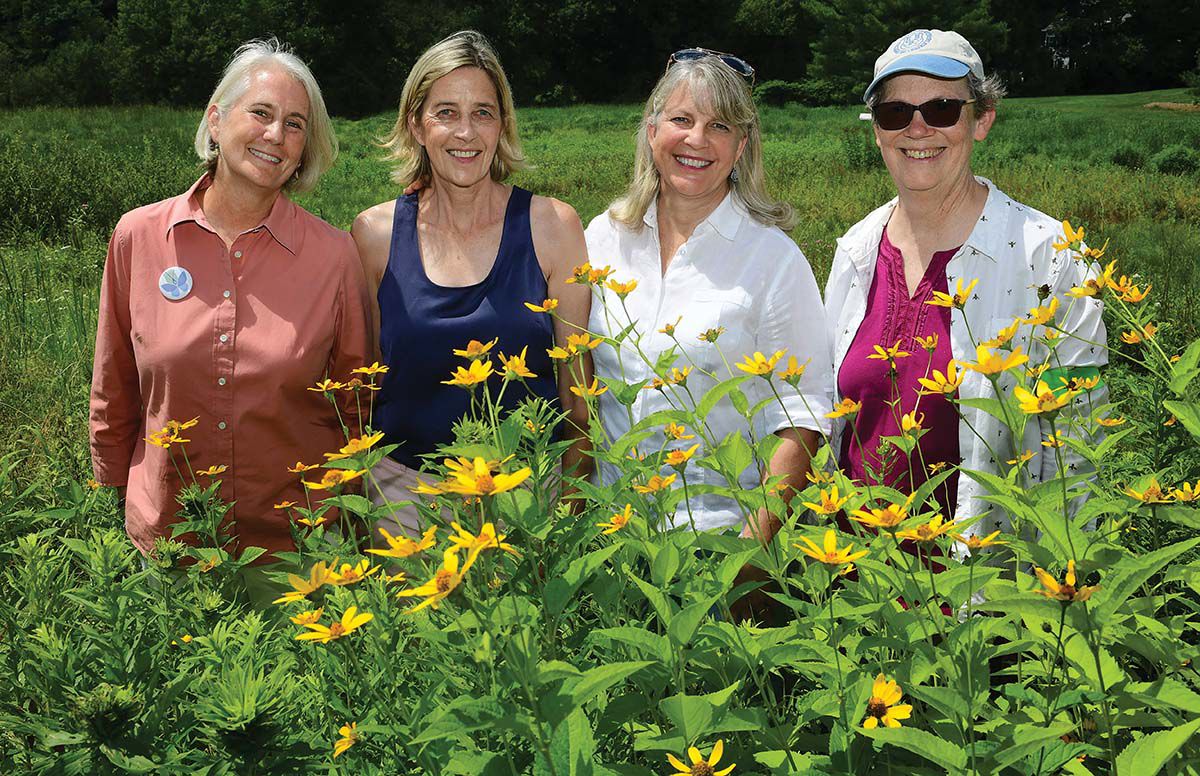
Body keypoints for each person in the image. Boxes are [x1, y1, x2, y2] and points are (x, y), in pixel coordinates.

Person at [89, 39, 372, 559]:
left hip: (297, 545)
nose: (275, 135)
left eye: (295, 124)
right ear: (216, 121)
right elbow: (117, 379)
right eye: (261, 113)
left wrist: (353, 512)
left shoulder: (334, 256)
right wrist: (109, 487)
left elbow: (358, 400)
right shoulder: (138, 236)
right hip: (171, 539)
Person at [824, 29, 1107, 541]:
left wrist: (1051, 593)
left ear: (982, 120)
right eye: (895, 112)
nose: (917, 128)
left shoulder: (1054, 259)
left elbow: (1078, 443)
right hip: (854, 588)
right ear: (877, 130)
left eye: (942, 109)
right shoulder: (856, 252)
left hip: (983, 590)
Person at [585, 48, 834, 543]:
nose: (696, 139)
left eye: (720, 126)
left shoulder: (773, 259)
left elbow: (803, 418)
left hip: (717, 541)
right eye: (681, 119)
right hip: (614, 534)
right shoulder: (603, 238)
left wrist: (750, 558)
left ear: (741, 147)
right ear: (652, 129)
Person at [352, 30, 591, 534]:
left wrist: (571, 502)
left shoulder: (553, 226)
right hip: (404, 501)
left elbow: (577, 388)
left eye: (482, 112)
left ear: (502, 126)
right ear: (416, 124)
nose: (466, 132)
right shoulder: (373, 235)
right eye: (446, 112)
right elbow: (363, 384)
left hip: (528, 496)